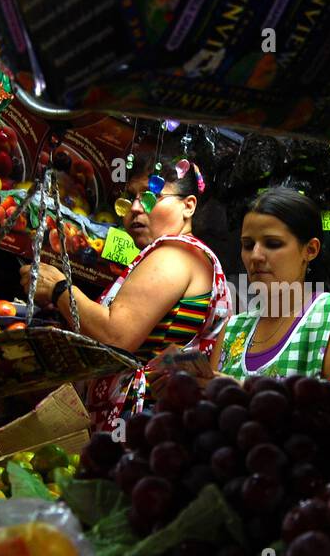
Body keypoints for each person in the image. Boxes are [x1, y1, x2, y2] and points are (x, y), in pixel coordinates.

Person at [21, 158, 230, 430]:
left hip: (138, 430)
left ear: (188, 205)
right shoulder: (196, 257)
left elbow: (116, 336)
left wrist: (60, 289)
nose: (134, 208)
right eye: (131, 197)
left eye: (150, 197)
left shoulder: (176, 254)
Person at [209, 187, 330, 379]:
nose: (255, 255)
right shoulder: (232, 330)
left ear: (310, 250)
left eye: (272, 243)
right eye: (248, 245)